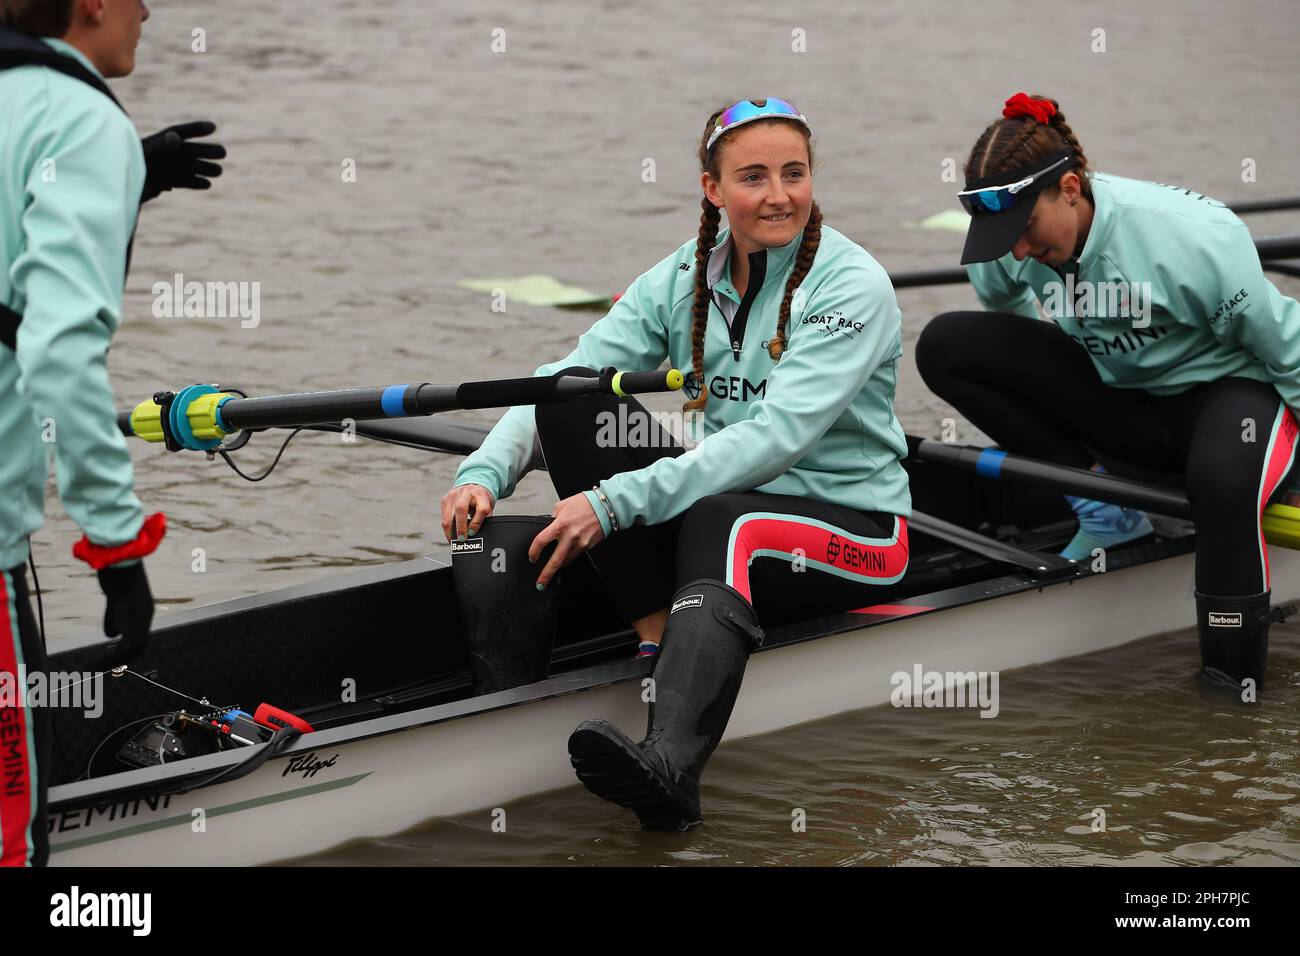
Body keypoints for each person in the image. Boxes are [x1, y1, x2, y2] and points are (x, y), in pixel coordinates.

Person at [441, 97, 911, 829]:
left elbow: (776, 438)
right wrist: (483, 472)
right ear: (712, 189)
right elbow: (560, 377)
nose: (779, 194)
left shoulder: (852, 286)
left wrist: (614, 502)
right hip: (732, 509)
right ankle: (620, 658)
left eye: (795, 173)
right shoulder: (684, 276)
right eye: (753, 177)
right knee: (569, 414)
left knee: (727, 517)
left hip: (856, 536)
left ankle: (672, 766)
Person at [915, 92, 1300, 693]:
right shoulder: (1002, 241)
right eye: (1003, 238)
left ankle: (1232, 693)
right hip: (1125, 405)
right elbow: (1013, 327)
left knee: (1222, 484)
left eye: (1026, 231)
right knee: (945, 344)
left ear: (1070, 188)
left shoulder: (1191, 238)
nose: (1017, 251)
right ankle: (1107, 509)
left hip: (1229, 398)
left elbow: (1286, 349)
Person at [0, 0, 225, 867]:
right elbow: (56, 358)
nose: (148, 11)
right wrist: (118, 547)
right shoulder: (80, 114)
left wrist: (129, 171)